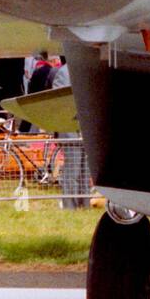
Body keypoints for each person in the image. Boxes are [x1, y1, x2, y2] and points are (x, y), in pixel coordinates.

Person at [51, 58, 89, 209]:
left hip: (87, 128)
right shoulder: (64, 73)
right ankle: (70, 207)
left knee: (86, 171)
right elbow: (60, 101)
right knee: (72, 171)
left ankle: (85, 204)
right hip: (70, 128)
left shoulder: (86, 69)